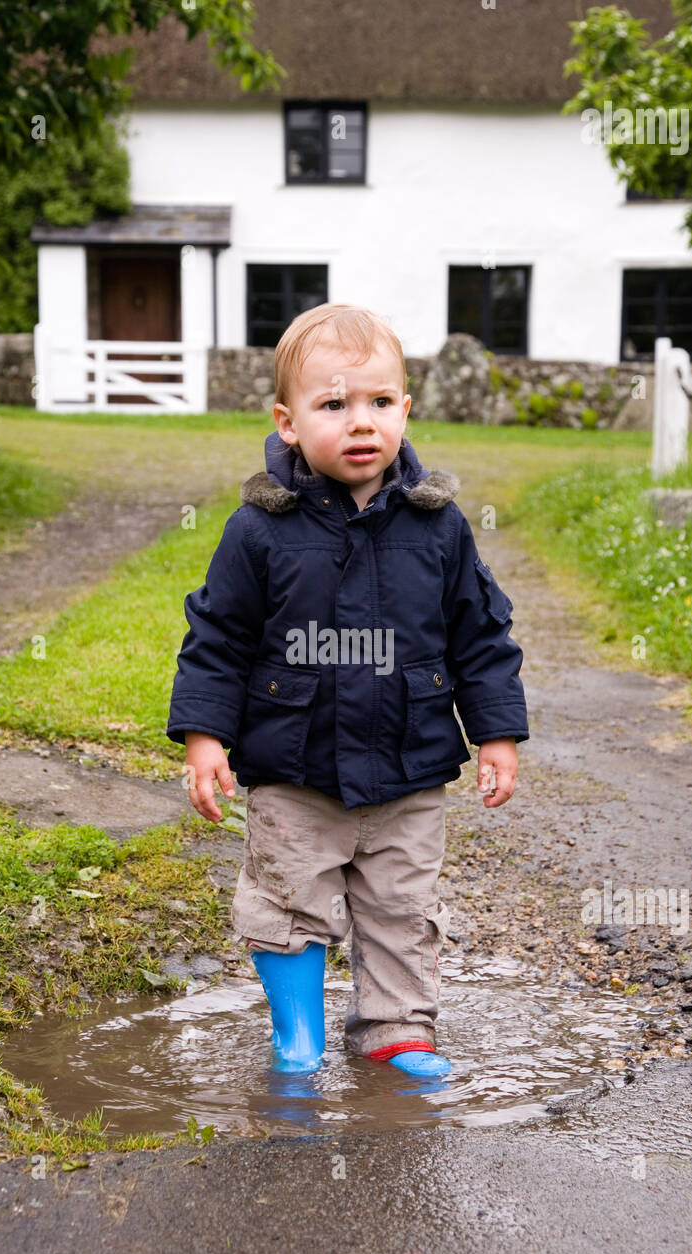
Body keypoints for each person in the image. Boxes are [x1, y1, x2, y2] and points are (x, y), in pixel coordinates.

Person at [167, 303, 529, 1077]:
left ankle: (398, 1031)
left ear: (405, 408)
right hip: (294, 769)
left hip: (409, 769)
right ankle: (298, 1033)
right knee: (288, 901)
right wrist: (205, 737)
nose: (359, 422)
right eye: (333, 404)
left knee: (403, 910)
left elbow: (480, 634)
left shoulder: (439, 526)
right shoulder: (260, 529)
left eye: (377, 402)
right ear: (288, 422)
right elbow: (218, 638)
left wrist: (496, 731)